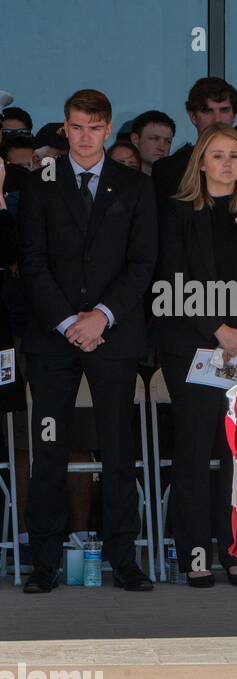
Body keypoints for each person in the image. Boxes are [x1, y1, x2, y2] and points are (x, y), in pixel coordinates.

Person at [19, 89, 157, 593]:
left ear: (108, 128)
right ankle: (45, 563)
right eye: (76, 127)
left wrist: (99, 317)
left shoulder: (134, 186)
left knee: (119, 451)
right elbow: (31, 261)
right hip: (53, 339)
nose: (84, 137)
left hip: (113, 335)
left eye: (94, 128)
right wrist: (67, 322)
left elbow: (143, 263)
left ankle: (124, 559)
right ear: (65, 126)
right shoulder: (41, 184)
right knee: (49, 447)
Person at [155, 123, 237, 586]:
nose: (228, 164)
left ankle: (234, 551)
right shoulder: (176, 213)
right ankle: (193, 551)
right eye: (218, 156)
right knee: (192, 450)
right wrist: (218, 329)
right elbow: (169, 275)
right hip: (193, 345)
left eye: (235, 156)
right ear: (201, 163)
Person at [152, 77, 237, 211]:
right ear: (192, 116)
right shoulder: (166, 171)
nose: (217, 119)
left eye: (224, 110)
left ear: (234, 116)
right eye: (207, 111)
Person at [128, 110, 174, 175]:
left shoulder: (178, 181)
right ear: (135, 139)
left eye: (168, 141)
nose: (162, 147)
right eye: (155, 139)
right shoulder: (120, 178)